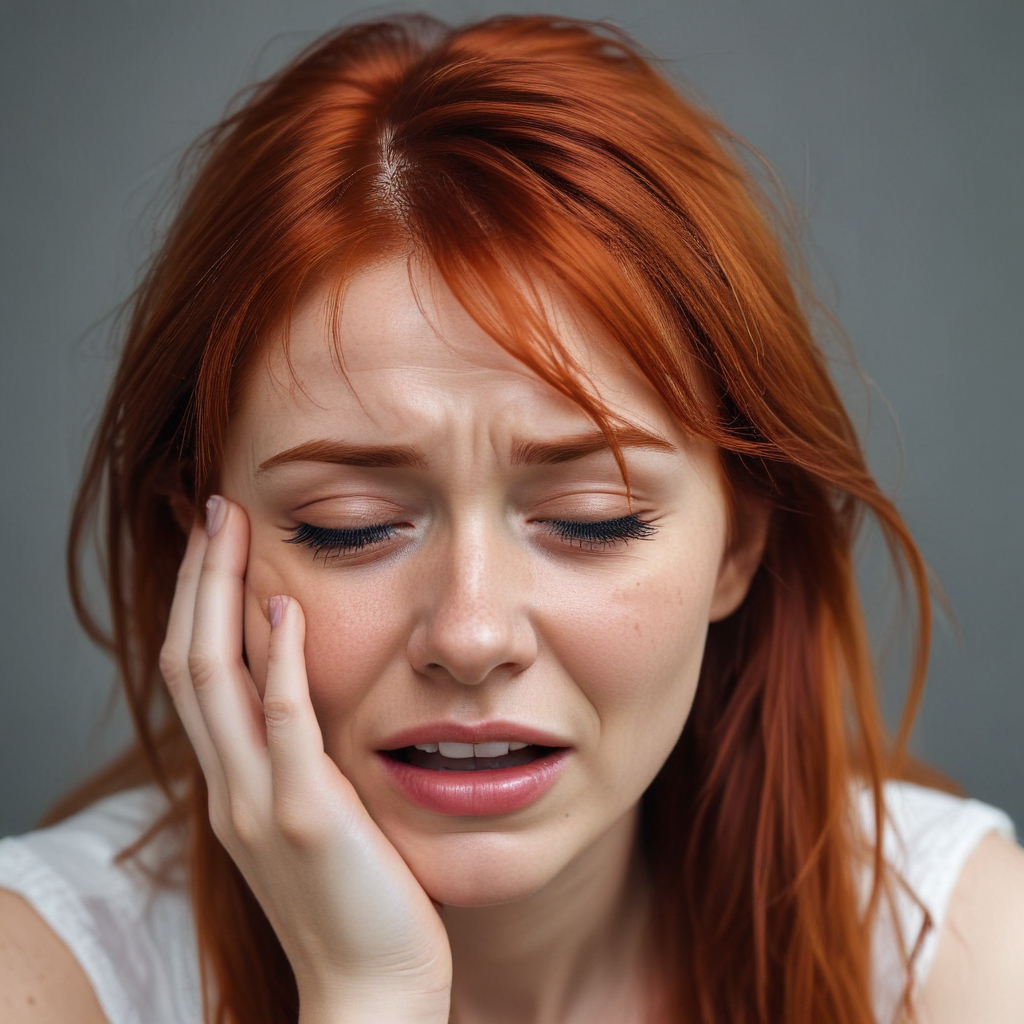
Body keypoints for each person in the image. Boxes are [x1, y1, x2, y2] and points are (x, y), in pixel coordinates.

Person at [0, 13, 1021, 1024]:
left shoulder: (958, 953)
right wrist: (369, 998)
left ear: (739, 543)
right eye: (351, 525)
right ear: (203, 546)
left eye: (593, 517)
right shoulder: (47, 975)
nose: (472, 633)